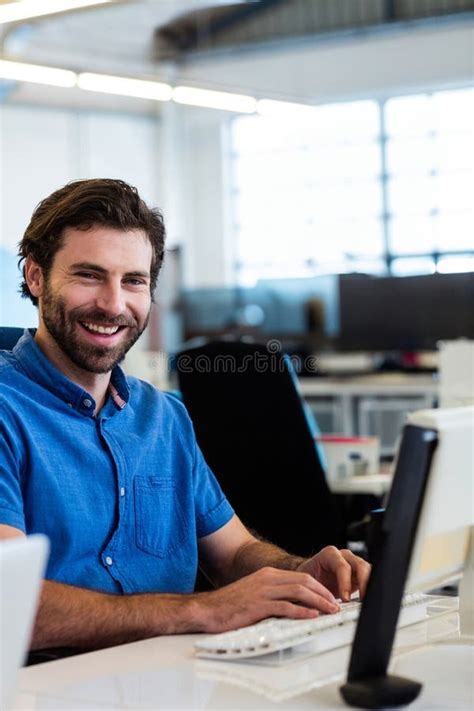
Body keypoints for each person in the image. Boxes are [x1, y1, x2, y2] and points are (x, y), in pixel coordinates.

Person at [0, 179, 370, 652]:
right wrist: (202, 610)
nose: (114, 304)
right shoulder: (8, 412)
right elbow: (8, 604)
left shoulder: (164, 418)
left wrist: (300, 573)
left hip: (178, 679)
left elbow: (233, 552)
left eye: (133, 281)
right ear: (35, 276)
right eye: (88, 275)